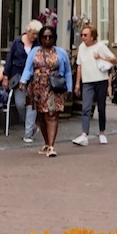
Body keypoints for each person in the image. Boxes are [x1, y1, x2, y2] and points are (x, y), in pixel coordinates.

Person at [19, 24, 72, 156]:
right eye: (44, 37)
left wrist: (70, 88)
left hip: (54, 86)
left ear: (54, 38)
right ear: (41, 39)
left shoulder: (61, 52)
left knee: (52, 114)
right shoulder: (35, 51)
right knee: (42, 116)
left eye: (50, 37)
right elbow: (28, 68)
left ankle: (52, 146)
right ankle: (47, 142)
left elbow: (67, 72)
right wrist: (23, 81)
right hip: (37, 87)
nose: (47, 39)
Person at [73, 23, 116, 146]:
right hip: (87, 82)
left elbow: (114, 59)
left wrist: (101, 57)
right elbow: (79, 65)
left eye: (85, 35)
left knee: (101, 107)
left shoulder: (100, 46)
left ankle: (102, 133)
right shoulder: (81, 47)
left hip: (100, 80)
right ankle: (84, 134)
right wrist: (77, 83)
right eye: (82, 35)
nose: (83, 37)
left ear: (92, 36)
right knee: (85, 108)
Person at [4, 19, 43, 143]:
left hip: (33, 78)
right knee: (20, 104)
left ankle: (28, 134)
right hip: (18, 76)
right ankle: (32, 126)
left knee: (31, 104)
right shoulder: (17, 42)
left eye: (37, 34)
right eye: (34, 33)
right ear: (28, 31)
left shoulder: (38, 44)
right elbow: (9, 59)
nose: (35, 36)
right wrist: (6, 75)